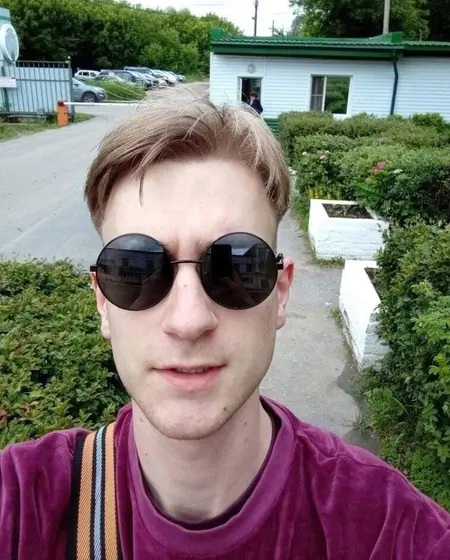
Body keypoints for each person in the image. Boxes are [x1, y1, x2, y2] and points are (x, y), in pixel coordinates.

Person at [1, 95, 449, 560]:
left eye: (235, 267)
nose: (189, 320)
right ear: (102, 301)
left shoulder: (385, 526)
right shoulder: (22, 503)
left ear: (280, 292)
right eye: (136, 268)